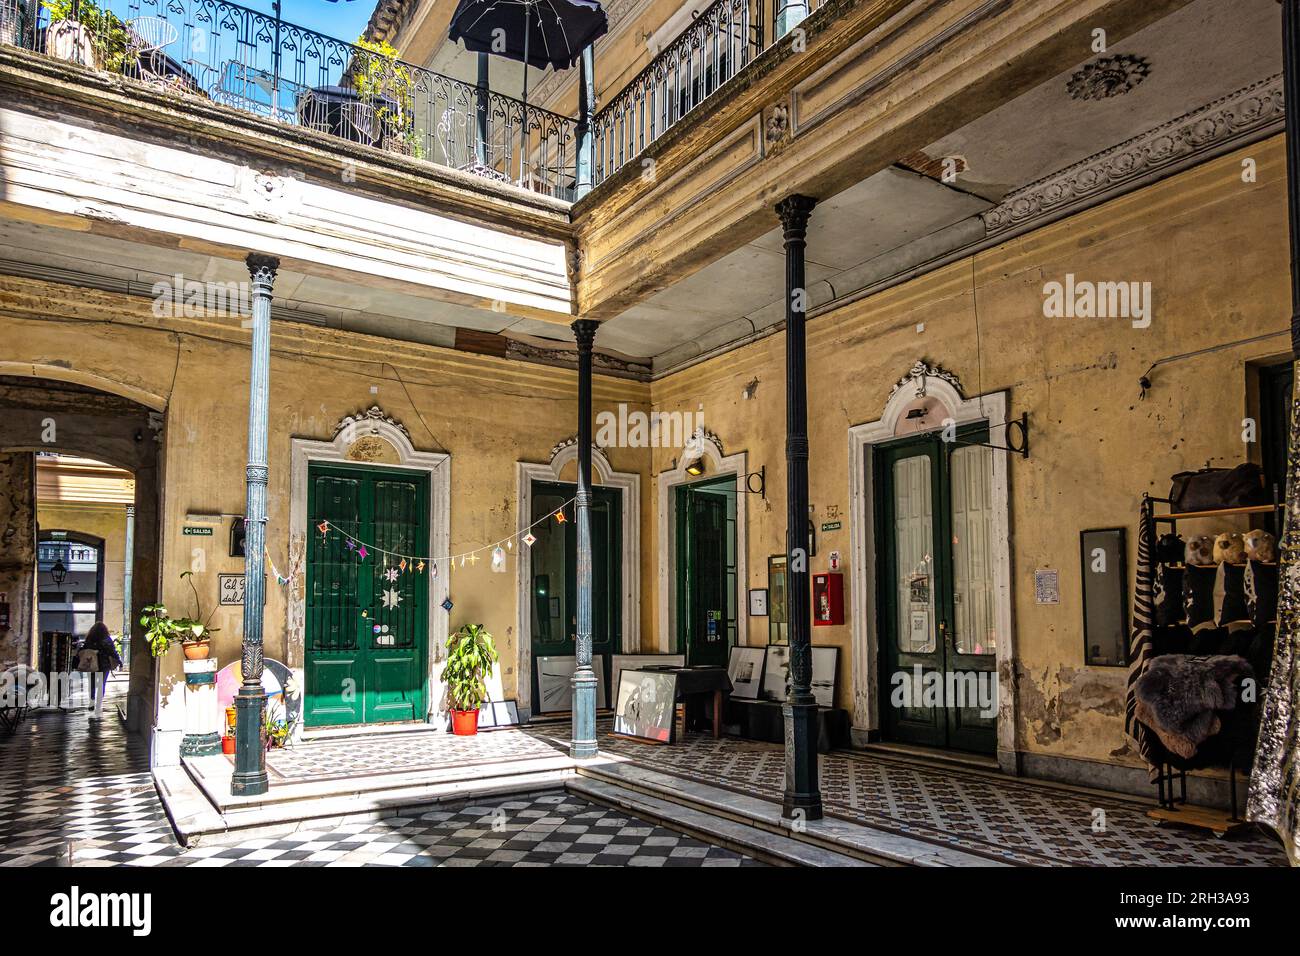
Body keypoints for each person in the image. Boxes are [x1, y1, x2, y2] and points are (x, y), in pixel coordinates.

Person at [80, 622, 122, 720]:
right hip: (104, 665)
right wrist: (118, 660)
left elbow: (84, 649)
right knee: (101, 684)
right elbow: (112, 651)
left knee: (92, 684)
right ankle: (98, 704)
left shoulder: (90, 639)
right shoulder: (107, 640)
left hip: (91, 664)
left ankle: (91, 701)